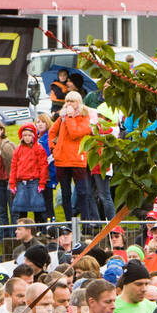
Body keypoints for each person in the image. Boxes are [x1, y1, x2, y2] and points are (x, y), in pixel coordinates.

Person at [49, 92, 92, 221]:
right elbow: (51, 132)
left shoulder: (84, 118)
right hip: (62, 160)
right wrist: (53, 148)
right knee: (65, 194)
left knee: (82, 192)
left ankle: (86, 223)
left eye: (72, 101)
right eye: (67, 101)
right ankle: (69, 223)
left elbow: (75, 133)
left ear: (78, 103)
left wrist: (69, 117)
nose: (68, 104)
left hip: (77, 160)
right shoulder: (61, 118)